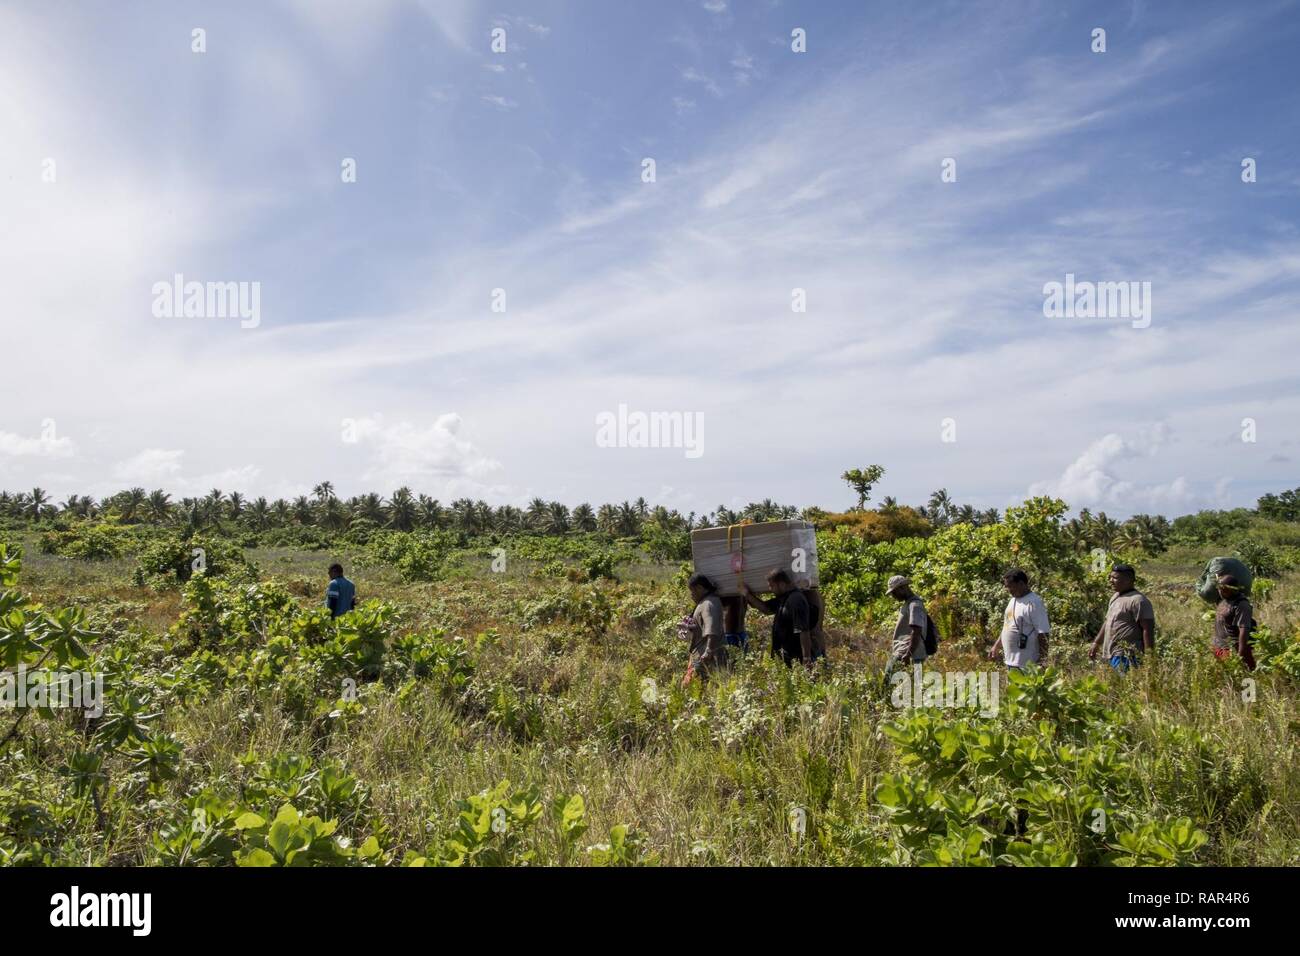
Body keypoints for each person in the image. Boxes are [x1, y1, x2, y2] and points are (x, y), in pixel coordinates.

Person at [740, 569, 821, 668]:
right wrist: (747, 594)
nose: (770, 589)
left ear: (782, 584)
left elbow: (803, 631)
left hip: (795, 660)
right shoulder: (783, 598)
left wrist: (806, 659)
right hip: (784, 659)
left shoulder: (796, 600)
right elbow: (766, 609)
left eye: (772, 586)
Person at [1088, 563, 1155, 672]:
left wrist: (1149, 658)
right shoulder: (1115, 597)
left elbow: (1148, 629)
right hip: (1111, 653)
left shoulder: (1138, 600)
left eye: (1115, 578)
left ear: (1128, 580)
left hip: (1127, 654)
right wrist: (1096, 643)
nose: (1110, 580)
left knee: (1129, 684)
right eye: (1110, 577)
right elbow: (1107, 622)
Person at [988, 568, 1050, 670]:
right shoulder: (1013, 600)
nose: (1008, 590)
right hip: (1011, 661)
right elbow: (1007, 626)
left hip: (1028, 664)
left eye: (1010, 586)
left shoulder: (1034, 603)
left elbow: (1043, 633)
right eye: (1007, 587)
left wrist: (1042, 660)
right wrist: (996, 646)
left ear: (1021, 583)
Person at [680, 573, 729, 684]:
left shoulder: (708, 604)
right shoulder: (705, 602)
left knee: (695, 689)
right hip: (702, 656)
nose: (691, 595)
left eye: (692, 591)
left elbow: (712, 629)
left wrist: (708, 651)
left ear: (699, 588)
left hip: (707, 657)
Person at [886, 575, 929, 673]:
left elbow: (916, 631)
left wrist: (907, 655)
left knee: (888, 683)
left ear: (903, 588)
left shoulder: (914, 605)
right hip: (905, 653)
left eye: (894, 592)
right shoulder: (909, 604)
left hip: (907, 654)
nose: (893, 596)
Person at [1213, 574, 1256, 670]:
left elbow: (1244, 630)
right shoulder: (1224, 600)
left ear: (1232, 590)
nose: (1220, 591)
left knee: (1242, 676)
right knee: (1224, 675)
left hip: (1233, 649)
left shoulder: (1241, 605)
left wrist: (1240, 655)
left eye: (1223, 589)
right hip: (1220, 646)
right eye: (1219, 588)